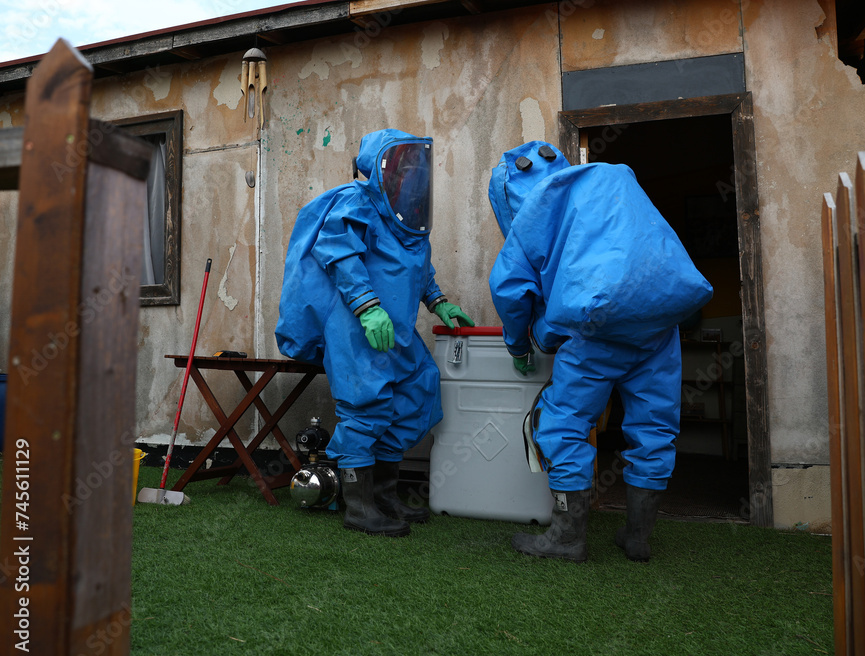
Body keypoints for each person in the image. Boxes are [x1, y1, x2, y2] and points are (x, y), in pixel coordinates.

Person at [488, 141, 713, 562]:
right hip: (659, 325)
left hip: (596, 330)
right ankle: (637, 536)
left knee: (562, 425)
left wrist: (520, 346)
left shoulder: (535, 210)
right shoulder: (612, 177)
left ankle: (567, 538)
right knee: (654, 428)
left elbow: (510, 288)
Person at [276, 129, 473, 537]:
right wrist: (367, 307)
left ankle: (385, 495)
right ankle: (359, 505)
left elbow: (417, 268)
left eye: (416, 167)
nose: (413, 175)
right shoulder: (357, 202)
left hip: (394, 327)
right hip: (357, 325)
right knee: (367, 407)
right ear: (382, 170)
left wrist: (438, 302)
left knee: (419, 390)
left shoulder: (410, 223)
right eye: (405, 167)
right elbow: (338, 252)